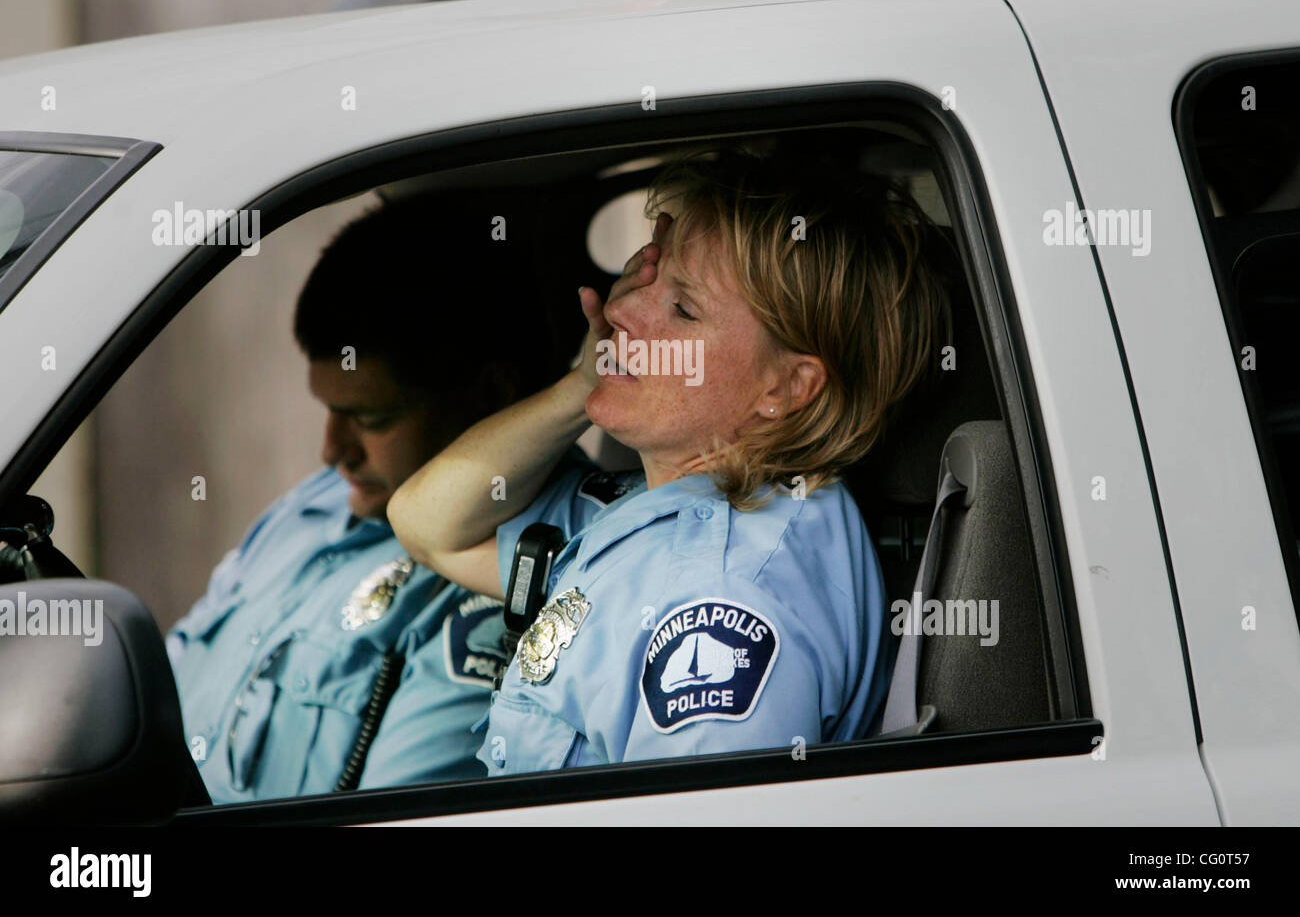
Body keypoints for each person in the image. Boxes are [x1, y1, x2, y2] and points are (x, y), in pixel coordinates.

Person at [388, 149, 952, 775]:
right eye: (647, 277)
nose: (622, 310)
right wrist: (581, 386)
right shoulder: (663, 507)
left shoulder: (719, 602)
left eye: (683, 309)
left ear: (785, 389)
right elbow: (427, 524)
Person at [166, 194, 561, 801]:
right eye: (329, 412)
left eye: (371, 418)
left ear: (490, 394)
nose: (332, 450)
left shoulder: (513, 584)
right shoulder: (313, 507)